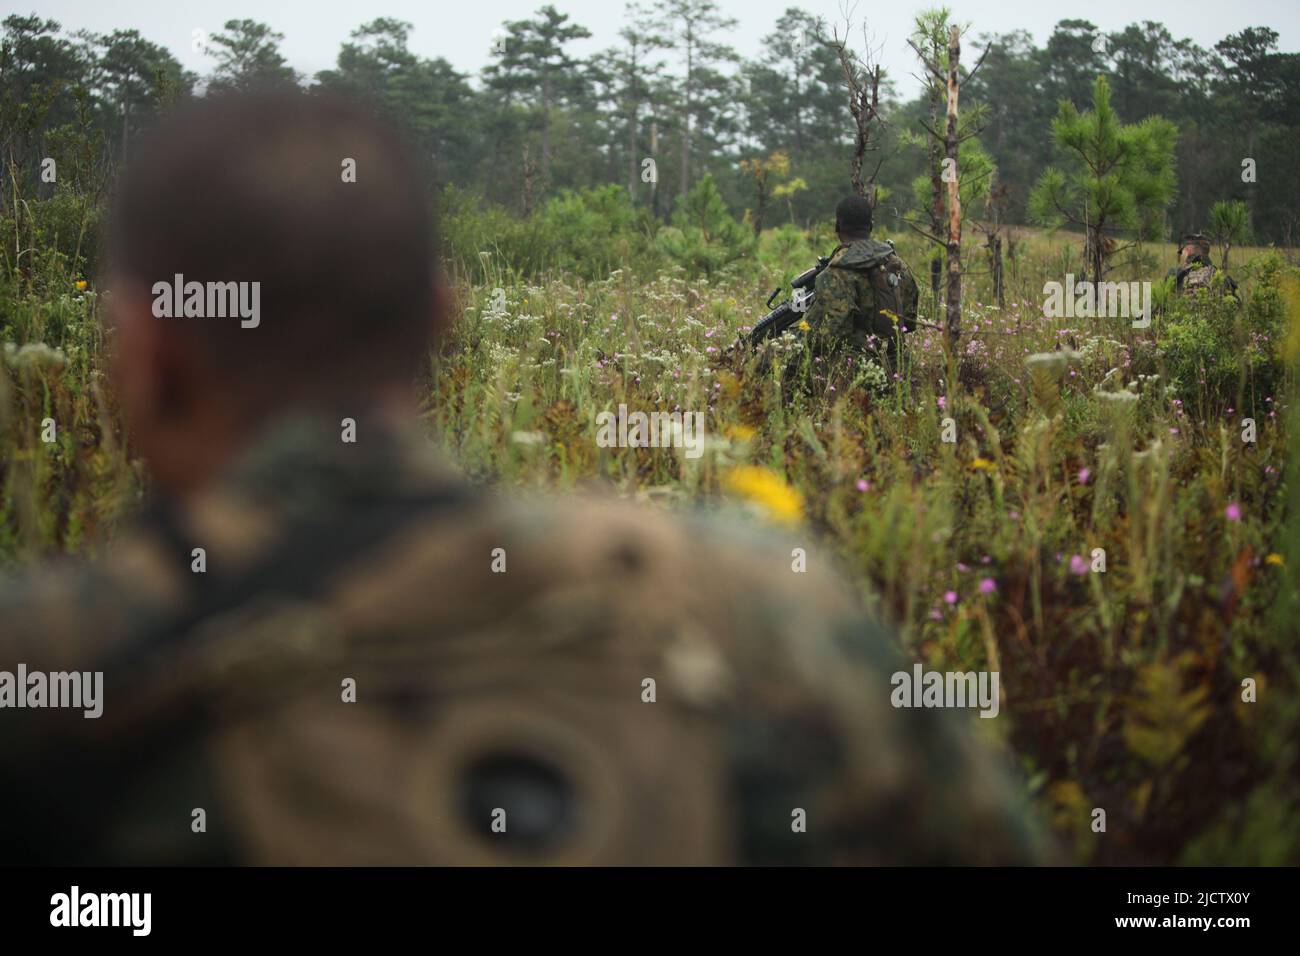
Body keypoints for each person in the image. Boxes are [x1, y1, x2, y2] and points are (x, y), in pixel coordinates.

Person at [0, 90, 1048, 865]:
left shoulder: (47, 666)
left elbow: (799, 335)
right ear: (440, 323)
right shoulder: (763, 602)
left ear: (139, 356)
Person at [793, 196, 919, 392]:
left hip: (856, 373)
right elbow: (909, 322)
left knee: (779, 355)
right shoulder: (896, 264)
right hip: (900, 367)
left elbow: (823, 337)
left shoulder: (835, 273)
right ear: (870, 225)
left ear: (837, 225)